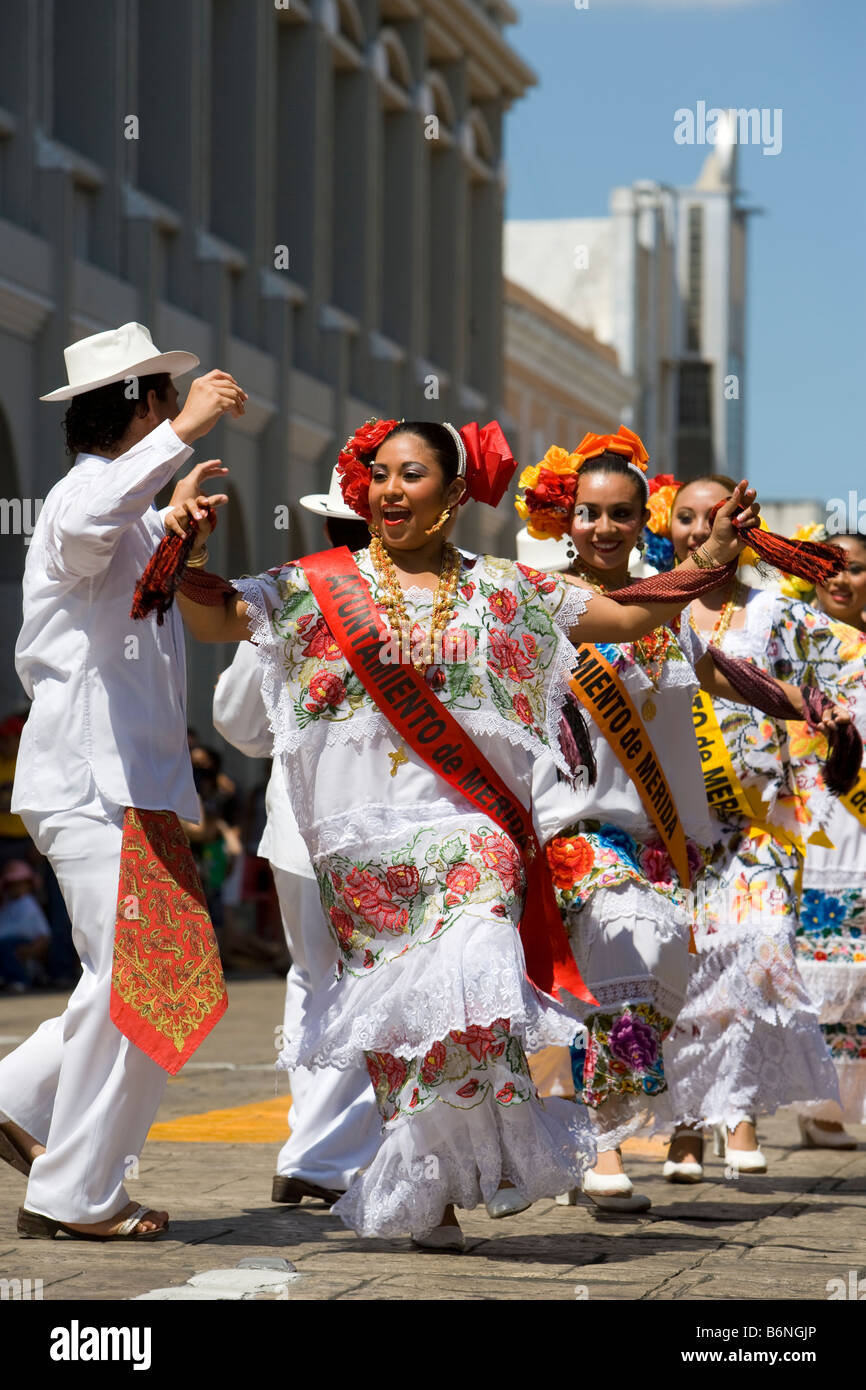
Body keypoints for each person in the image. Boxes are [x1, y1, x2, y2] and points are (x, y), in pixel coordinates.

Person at [161, 414, 768, 1248]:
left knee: (480, 961)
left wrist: (707, 561)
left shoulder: (504, 590)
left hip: (469, 825)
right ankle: (435, 1188)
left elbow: (628, 618)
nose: (388, 490)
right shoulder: (315, 582)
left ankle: (500, 1146)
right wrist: (186, 548)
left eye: (410, 475)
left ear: (452, 495)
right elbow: (218, 617)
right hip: (359, 843)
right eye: (378, 474)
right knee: (403, 1029)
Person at [514, 434, 840, 1209]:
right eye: (588, 512)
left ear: (638, 520)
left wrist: (802, 703)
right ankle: (595, 1146)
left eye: (619, 514)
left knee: (652, 988)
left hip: (660, 834)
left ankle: (583, 1133)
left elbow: (718, 672)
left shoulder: (669, 607)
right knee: (631, 945)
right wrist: (716, 552)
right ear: (566, 519)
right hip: (576, 829)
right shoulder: (542, 600)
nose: (602, 527)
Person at [0, 322, 246, 1240]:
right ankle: (78, 1189)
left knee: (153, 975)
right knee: (148, 978)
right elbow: (91, 523)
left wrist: (173, 518)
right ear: (142, 404)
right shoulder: (72, 502)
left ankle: (22, 1102)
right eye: (161, 400)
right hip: (90, 782)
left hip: (131, 784)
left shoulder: (130, 508)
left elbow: (127, 552)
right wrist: (185, 433)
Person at [661, 477, 856, 1180]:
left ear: (746, 529)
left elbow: (841, 670)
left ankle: (737, 1112)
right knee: (682, 966)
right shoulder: (652, 605)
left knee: (753, 953)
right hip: (671, 817)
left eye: (713, 518)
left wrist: (829, 717)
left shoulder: (777, 608)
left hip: (759, 820)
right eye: (685, 518)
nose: (696, 531)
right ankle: (685, 1120)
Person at [212, 468, 381, 1207]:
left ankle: (310, 1145)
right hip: (388, 826)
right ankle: (318, 1152)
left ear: (326, 531)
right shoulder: (432, 594)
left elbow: (235, 720)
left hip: (298, 827)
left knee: (314, 979)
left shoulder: (285, 591)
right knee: (371, 983)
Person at [794, 529, 866, 1144]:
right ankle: (813, 1099)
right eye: (829, 566)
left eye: (857, 569)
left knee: (860, 981)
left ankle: (837, 1107)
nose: (841, 579)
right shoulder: (786, 644)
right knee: (817, 973)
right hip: (810, 829)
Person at [0, 860, 51, 992]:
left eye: (20, 884)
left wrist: (32, 950)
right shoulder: (7, 905)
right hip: (7, 943)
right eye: (12, 885)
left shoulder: (30, 904)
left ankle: (19, 979)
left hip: (23, 944)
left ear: (29, 884)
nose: (16, 888)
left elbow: (43, 934)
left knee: (5, 947)